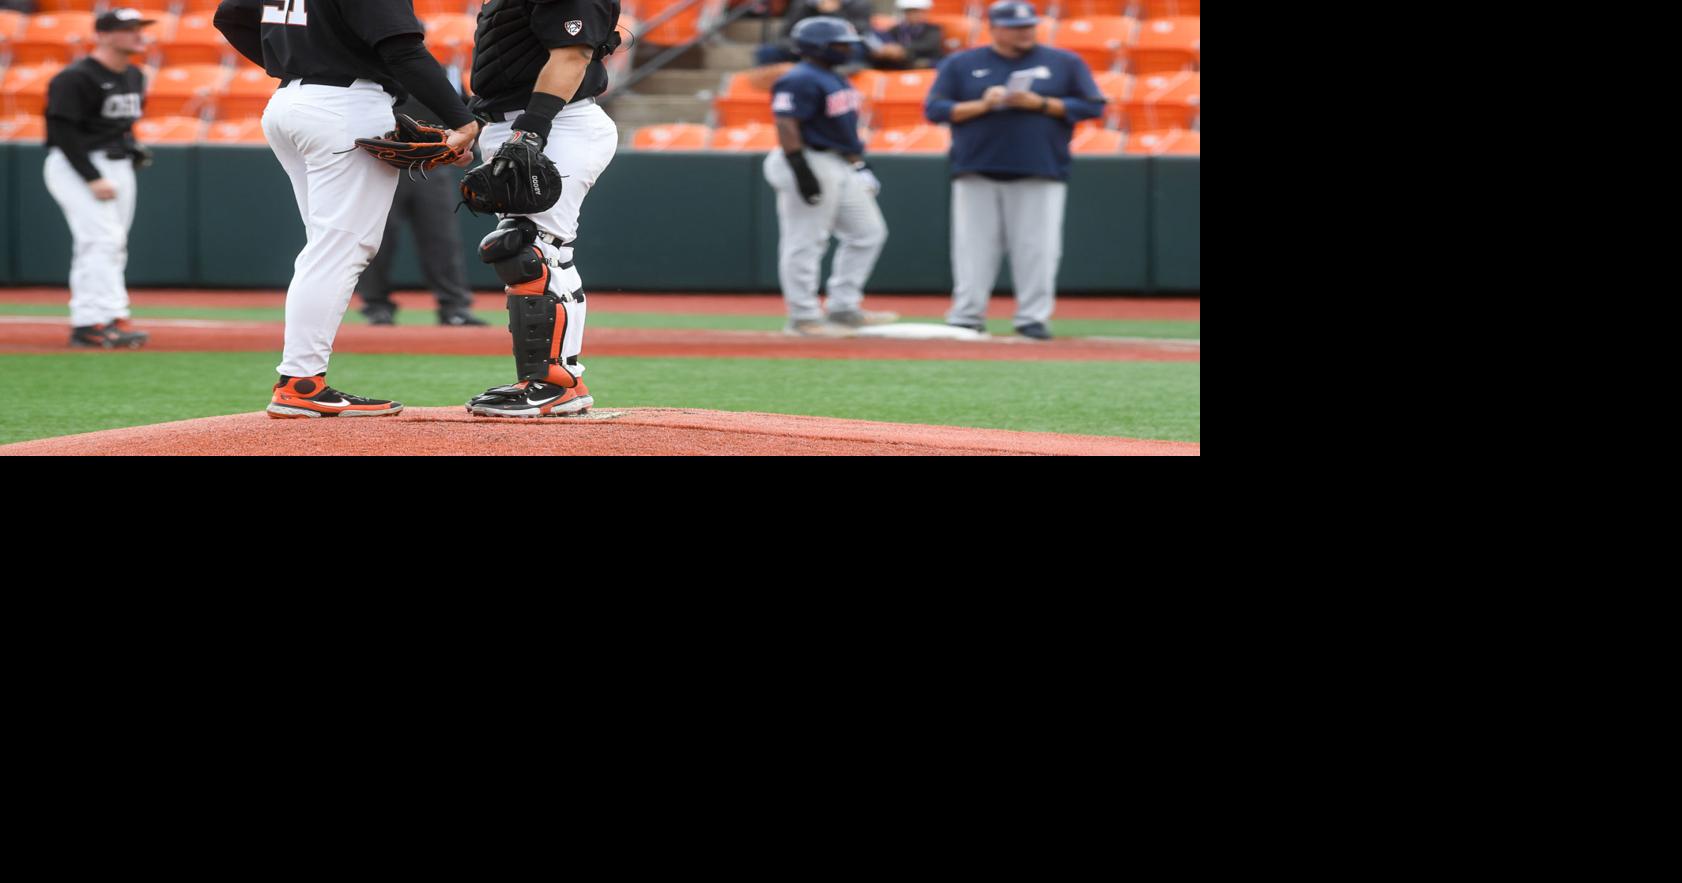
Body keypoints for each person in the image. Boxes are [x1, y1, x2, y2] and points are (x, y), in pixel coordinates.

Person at [214, 0, 479, 418]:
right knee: (338, 250)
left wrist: (297, 61)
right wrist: (462, 120)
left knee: (326, 246)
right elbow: (403, 51)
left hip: (289, 103)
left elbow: (229, 16)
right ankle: (301, 382)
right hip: (342, 106)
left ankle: (300, 381)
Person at [459, 0, 622, 418]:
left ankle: (555, 383)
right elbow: (510, 63)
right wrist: (472, 123)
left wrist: (531, 131)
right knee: (539, 252)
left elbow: (573, 54)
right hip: (518, 122)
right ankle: (551, 378)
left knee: (531, 252)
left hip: (556, 122)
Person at [923, 0, 1106, 340]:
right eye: (1016, 26)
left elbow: (1093, 105)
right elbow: (935, 110)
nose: (1025, 32)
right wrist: (984, 103)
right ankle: (966, 315)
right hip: (976, 166)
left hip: (1040, 166)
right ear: (994, 28)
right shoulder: (962, 63)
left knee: (1038, 249)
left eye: (1029, 25)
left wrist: (1040, 103)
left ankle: (1032, 318)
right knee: (972, 248)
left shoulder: (1063, 62)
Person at [763, 16, 895, 337]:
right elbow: (786, 124)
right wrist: (800, 168)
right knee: (806, 240)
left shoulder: (832, 77)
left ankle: (843, 307)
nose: (847, 49)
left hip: (838, 161)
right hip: (808, 158)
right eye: (839, 43)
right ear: (817, 46)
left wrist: (859, 165)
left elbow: (843, 129)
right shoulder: (800, 77)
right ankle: (803, 315)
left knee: (868, 233)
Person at [43, 9, 156, 349]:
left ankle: (100, 317)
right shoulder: (75, 77)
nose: (138, 35)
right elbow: (61, 131)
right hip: (77, 164)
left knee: (112, 244)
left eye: (139, 28)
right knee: (101, 241)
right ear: (104, 35)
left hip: (116, 164)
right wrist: (91, 177)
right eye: (128, 29)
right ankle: (97, 320)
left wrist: (130, 147)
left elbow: (119, 124)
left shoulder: (135, 74)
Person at [356, 91, 487, 328]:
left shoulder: (443, 69)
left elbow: (467, 107)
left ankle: (454, 307)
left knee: (442, 238)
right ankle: (376, 306)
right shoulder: (378, 64)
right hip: (385, 161)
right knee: (379, 239)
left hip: (432, 161)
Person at [755, 0, 873, 66]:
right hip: (807, 46)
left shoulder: (859, 4)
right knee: (768, 50)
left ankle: (840, 83)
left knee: (856, 49)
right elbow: (786, 35)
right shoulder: (803, 4)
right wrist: (806, 46)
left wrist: (833, 12)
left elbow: (859, 33)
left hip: (838, 46)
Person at [872, 0, 945, 71]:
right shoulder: (896, 29)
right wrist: (888, 50)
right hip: (901, 62)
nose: (913, 15)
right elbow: (887, 41)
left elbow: (928, 45)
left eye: (916, 11)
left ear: (924, 12)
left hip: (924, 61)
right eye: (909, 11)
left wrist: (902, 49)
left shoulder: (932, 29)